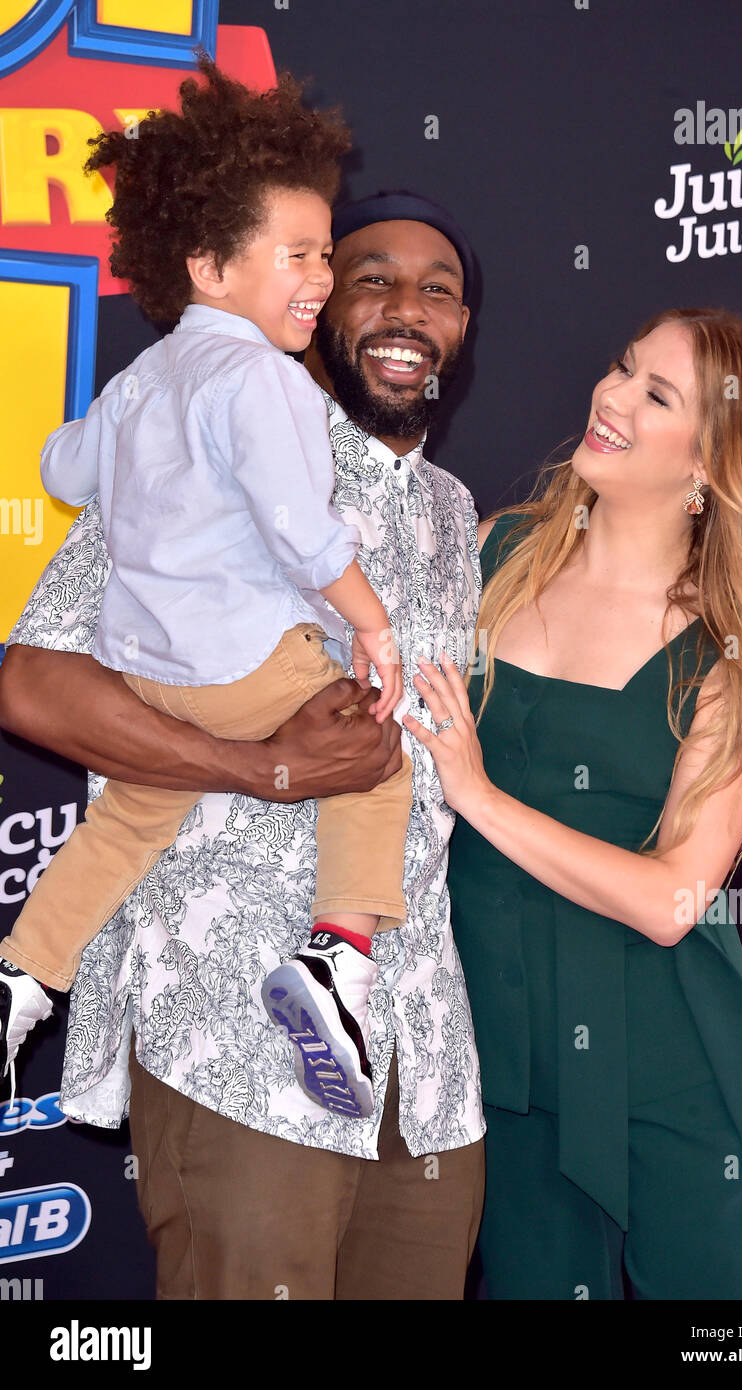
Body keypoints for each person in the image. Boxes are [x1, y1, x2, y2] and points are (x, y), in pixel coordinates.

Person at [0, 191, 485, 1299]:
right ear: (309, 299)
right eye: (367, 277)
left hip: (427, 1062)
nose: (406, 308)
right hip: (235, 1039)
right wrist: (260, 768)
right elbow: (33, 680)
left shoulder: (456, 515)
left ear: (461, 328)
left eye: (439, 290)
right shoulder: (206, 430)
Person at [0, 59, 414, 1122]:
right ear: (206, 265)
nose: (319, 276)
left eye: (324, 252)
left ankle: (21, 975)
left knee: (127, 822)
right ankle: (338, 963)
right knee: (372, 760)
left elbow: (61, 471)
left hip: (153, 679)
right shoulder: (260, 381)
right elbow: (298, 530)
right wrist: (371, 628)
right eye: (295, 256)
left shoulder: (145, 378)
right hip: (245, 666)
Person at [403, 307, 742, 1300]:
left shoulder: (729, 651)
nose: (609, 397)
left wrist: (476, 795)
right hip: (501, 1046)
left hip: (664, 1053)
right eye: (620, 367)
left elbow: (671, 899)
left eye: (655, 394)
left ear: (709, 468)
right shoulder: (490, 553)